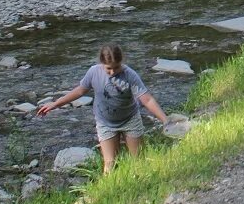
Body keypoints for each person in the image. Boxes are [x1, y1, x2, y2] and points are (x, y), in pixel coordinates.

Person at [37, 44, 175, 174]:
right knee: (109, 163)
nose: (113, 72)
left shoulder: (130, 75)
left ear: (122, 62)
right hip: (105, 123)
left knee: (138, 160)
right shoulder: (93, 72)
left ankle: (140, 186)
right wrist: (55, 104)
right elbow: (80, 91)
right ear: (101, 63)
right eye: (108, 68)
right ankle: (110, 191)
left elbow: (147, 99)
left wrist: (165, 120)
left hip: (130, 120)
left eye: (116, 67)